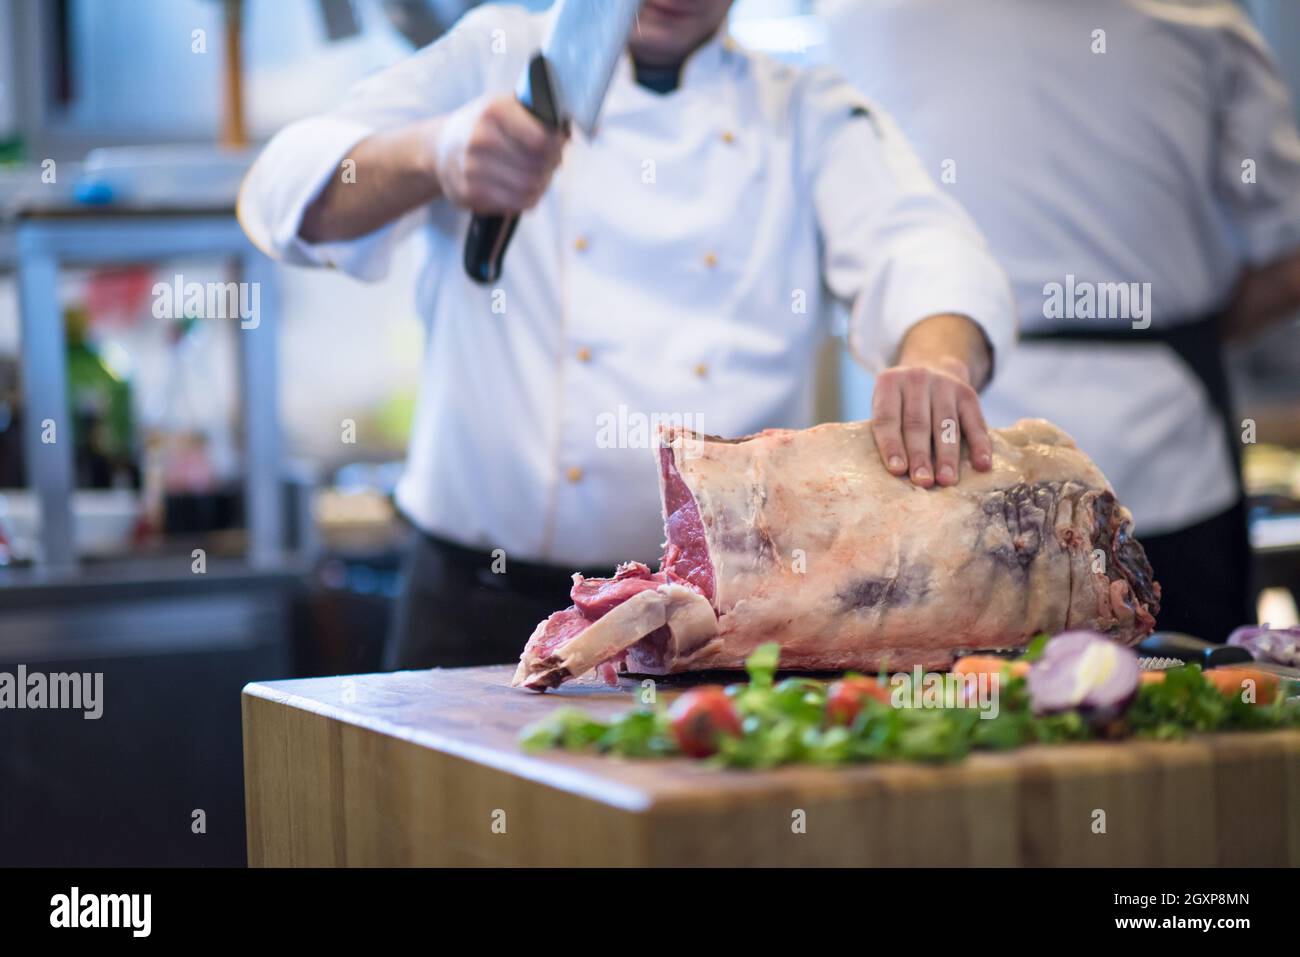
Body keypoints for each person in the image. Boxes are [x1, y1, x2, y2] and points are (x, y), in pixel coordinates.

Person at [239, 0, 1015, 669]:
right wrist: (433, 154)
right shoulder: (496, 54)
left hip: (706, 623)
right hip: (474, 605)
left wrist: (935, 357)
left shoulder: (803, 110)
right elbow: (284, 192)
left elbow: (925, 250)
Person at [826, 0, 1300, 642]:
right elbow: (1289, 251)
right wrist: (1190, 335)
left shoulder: (855, 17)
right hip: (1155, 434)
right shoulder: (1204, 19)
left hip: (955, 471)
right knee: (1182, 710)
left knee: (965, 717)